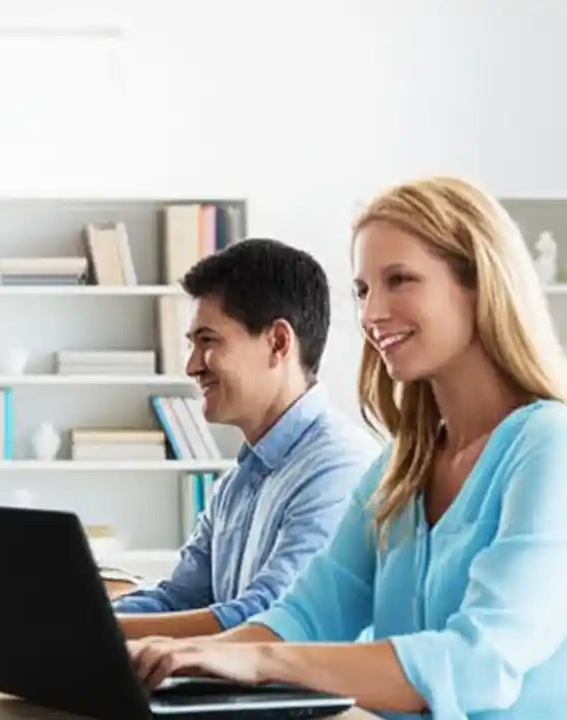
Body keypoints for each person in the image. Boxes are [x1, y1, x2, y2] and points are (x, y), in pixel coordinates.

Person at [131, 177, 567, 718]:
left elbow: (480, 664)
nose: (372, 314)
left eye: (400, 280)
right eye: (363, 291)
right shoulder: (398, 468)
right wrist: (172, 654)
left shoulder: (551, 446)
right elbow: (305, 619)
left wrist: (265, 660)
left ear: (480, 285)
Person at [114, 238, 379, 639]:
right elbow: (179, 599)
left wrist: (91, 629)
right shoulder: (237, 483)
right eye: (192, 344)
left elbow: (267, 619)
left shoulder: (340, 467)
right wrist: (85, 615)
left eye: (208, 342)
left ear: (278, 342)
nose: (191, 366)